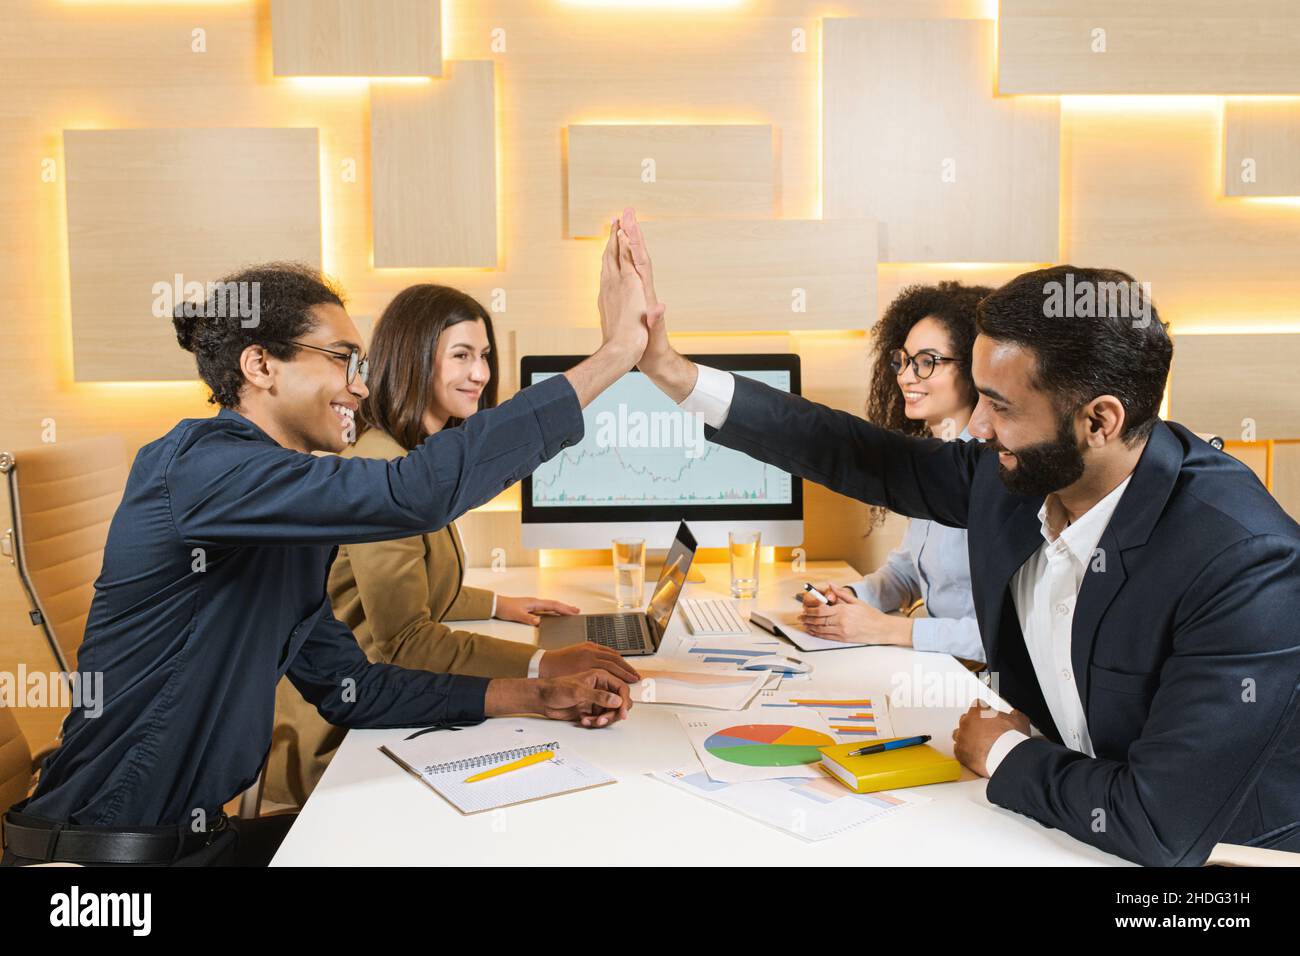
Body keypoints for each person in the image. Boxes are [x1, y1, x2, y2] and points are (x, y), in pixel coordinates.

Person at [621, 207, 1300, 866]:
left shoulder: (1244, 562)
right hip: (1063, 823)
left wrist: (1003, 751)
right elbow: (858, 453)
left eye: (1001, 408)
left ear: (1099, 421)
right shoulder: (1018, 473)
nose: (978, 430)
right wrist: (672, 373)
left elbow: (1159, 824)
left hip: (1221, 861)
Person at [2, 220, 656, 866]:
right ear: (260, 365)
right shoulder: (200, 470)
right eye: (343, 360)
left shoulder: (283, 514)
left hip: (196, 842)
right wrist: (614, 356)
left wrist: (539, 694)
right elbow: (414, 494)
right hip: (100, 866)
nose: (361, 386)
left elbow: (354, 690)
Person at [265, 284, 639, 807]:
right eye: (461, 355)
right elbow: (406, 641)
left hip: (388, 703)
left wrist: (496, 604)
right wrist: (542, 665)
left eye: (484, 356)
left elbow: (403, 587)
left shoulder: (408, 454)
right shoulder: (380, 466)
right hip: (344, 732)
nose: (481, 374)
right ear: (413, 360)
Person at [798, 282, 989, 663]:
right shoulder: (931, 461)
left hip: (988, 687)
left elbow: (1010, 637)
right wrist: (852, 597)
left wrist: (886, 628)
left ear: (973, 369)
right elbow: (907, 573)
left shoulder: (997, 471)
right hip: (941, 668)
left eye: (927, 361)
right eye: (903, 360)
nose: (905, 376)